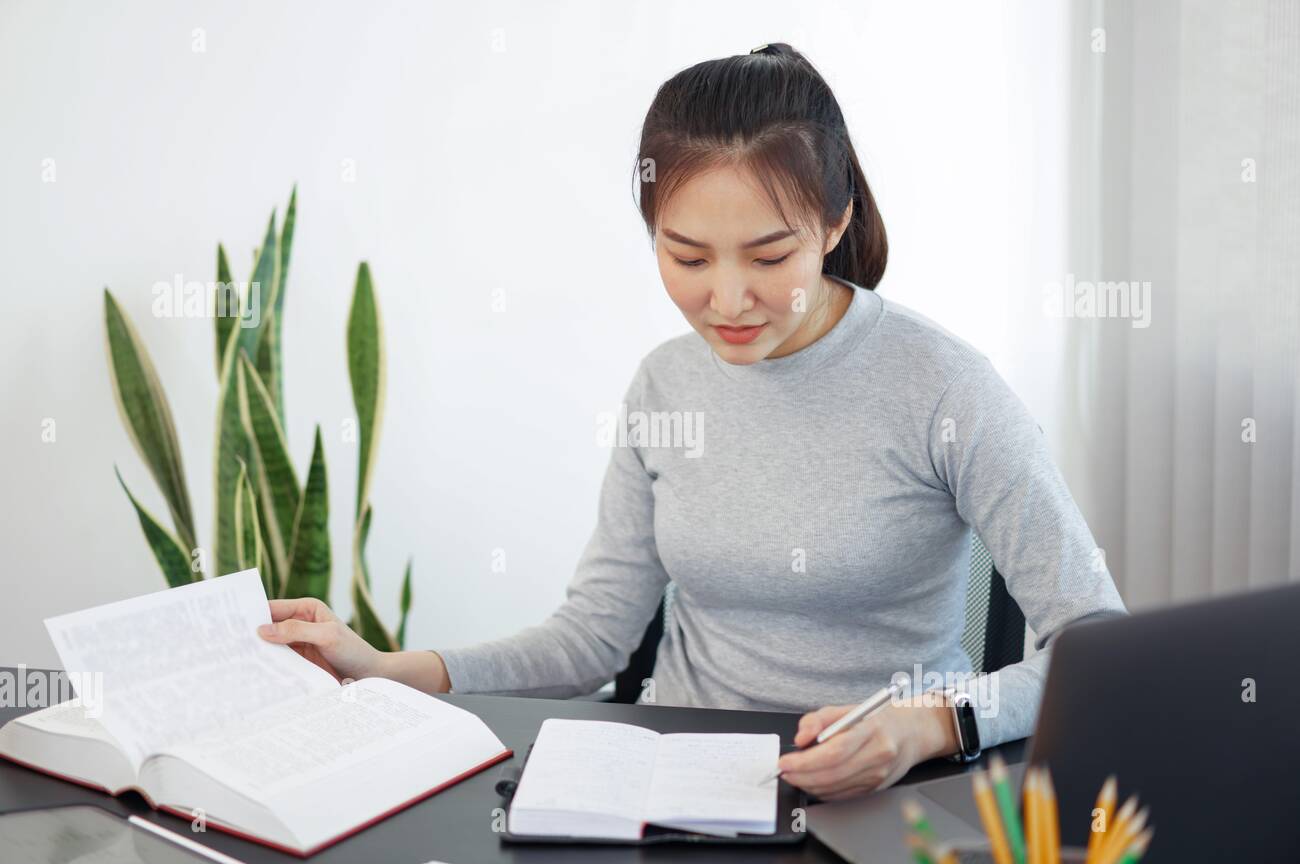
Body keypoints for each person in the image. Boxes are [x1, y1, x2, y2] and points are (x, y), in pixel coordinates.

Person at [258, 42, 1126, 801]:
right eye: (686, 257)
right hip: (664, 779)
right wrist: (386, 669)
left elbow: (1099, 648)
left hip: (881, 789)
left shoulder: (946, 388)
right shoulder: (664, 386)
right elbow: (594, 633)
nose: (727, 299)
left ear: (835, 221)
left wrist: (932, 723)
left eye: (769, 255)